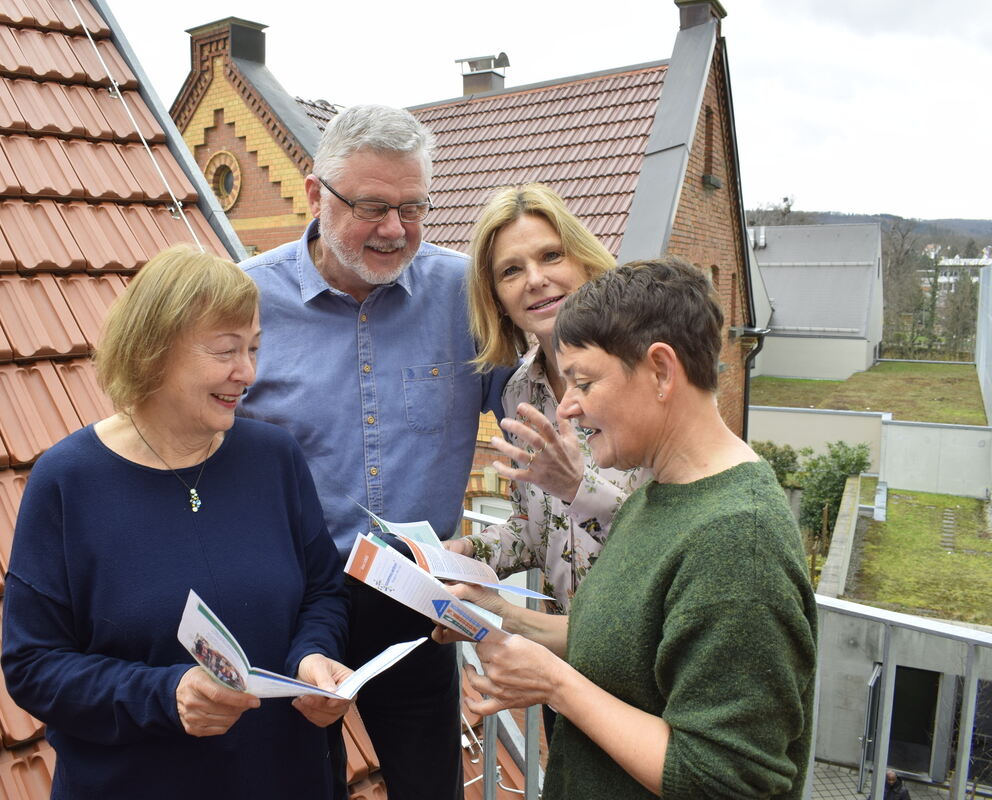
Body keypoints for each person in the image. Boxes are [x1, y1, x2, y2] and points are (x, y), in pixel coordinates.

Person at [436, 256, 818, 799]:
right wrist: (498, 616)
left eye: (585, 382)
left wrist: (555, 686)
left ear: (661, 370)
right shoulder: (656, 497)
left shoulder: (739, 542)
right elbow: (625, 645)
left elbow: (729, 779)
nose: (567, 408)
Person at [1, 245, 351, 798]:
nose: (248, 373)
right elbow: (33, 666)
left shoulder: (275, 457)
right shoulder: (67, 481)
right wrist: (165, 694)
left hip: (283, 776)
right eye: (226, 351)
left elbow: (322, 593)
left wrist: (312, 655)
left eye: (255, 348)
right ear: (154, 351)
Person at [238, 104, 508, 800]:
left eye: (413, 207)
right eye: (372, 207)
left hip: (418, 601)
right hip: (294, 601)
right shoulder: (244, 298)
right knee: (303, 784)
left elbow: (545, 399)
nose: (395, 230)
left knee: (430, 787)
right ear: (315, 195)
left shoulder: (464, 292)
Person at [444, 183, 647, 614]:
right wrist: (468, 551)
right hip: (561, 657)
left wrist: (579, 488)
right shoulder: (518, 392)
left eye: (551, 256)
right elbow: (537, 530)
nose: (536, 280)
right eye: (511, 271)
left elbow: (676, 540)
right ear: (497, 300)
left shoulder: (643, 376)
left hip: (643, 656)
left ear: (585, 262)